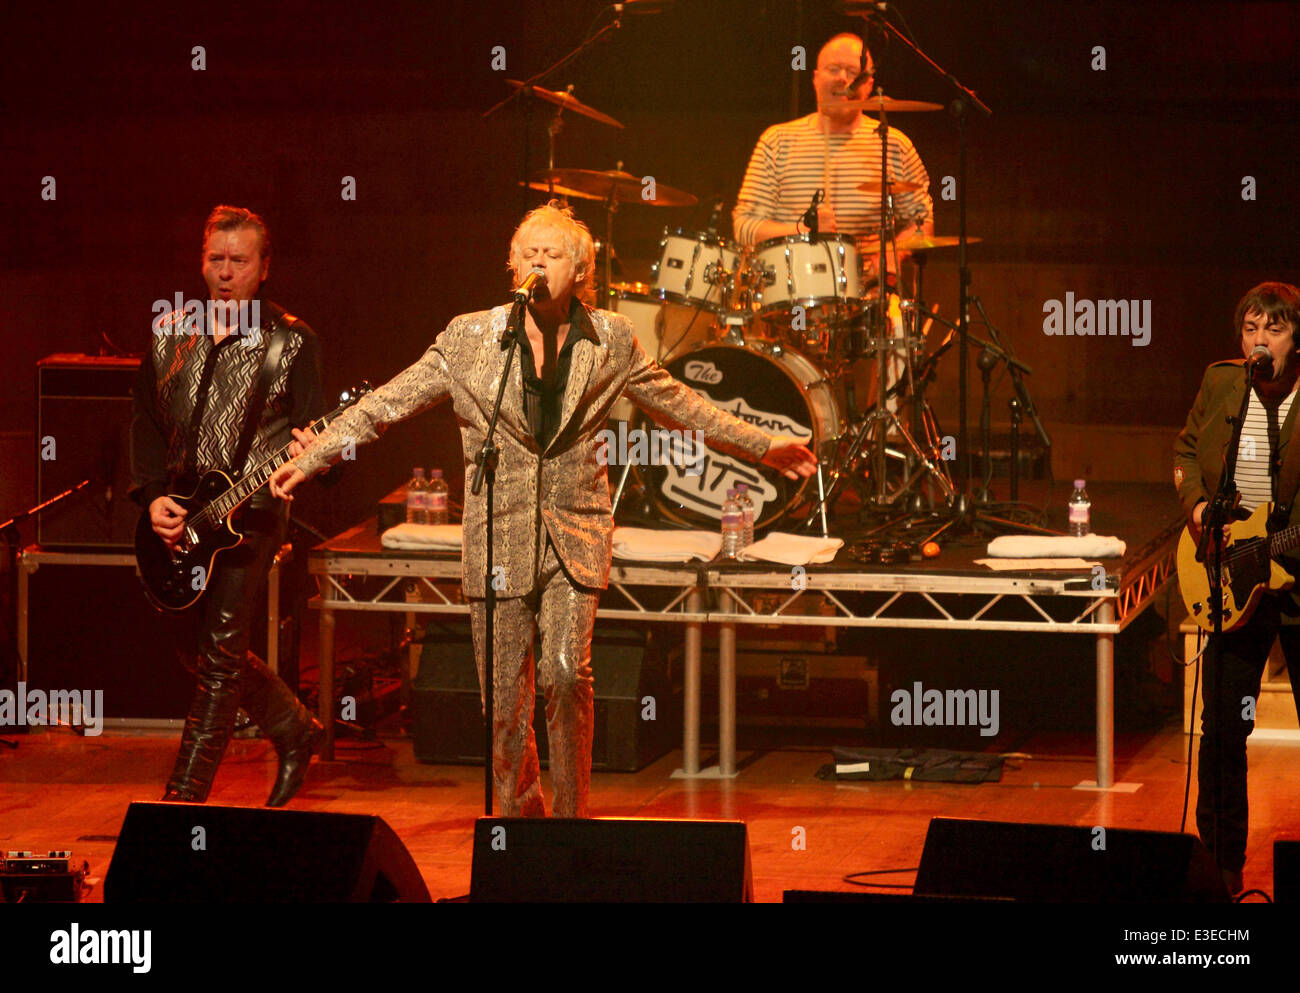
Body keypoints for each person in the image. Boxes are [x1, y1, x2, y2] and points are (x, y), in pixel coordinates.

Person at [271, 202, 816, 817]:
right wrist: (316, 452)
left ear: (581, 271)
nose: (537, 260)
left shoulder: (610, 338)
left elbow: (680, 405)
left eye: (552, 253)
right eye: (527, 251)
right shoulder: (470, 337)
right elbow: (386, 404)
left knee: (563, 674)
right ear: (511, 265)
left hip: (574, 532)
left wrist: (763, 443)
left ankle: (570, 821)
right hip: (498, 536)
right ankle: (518, 823)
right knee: (503, 701)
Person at [130, 205, 325, 806]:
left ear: (263, 268)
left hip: (255, 516)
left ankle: (181, 802)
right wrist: (153, 494)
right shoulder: (172, 333)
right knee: (197, 649)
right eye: (215, 258)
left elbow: (320, 435)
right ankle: (294, 728)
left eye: (238, 260)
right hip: (184, 514)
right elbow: (144, 419)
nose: (224, 271)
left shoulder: (292, 341)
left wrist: (317, 455)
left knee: (218, 653)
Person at [1174, 281, 1300, 895]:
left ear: (1295, 338)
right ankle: (1219, 870)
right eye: (1251, 328)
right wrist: (1198, 508)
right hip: (1228, 576)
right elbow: (1185, 449)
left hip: (1294, 578)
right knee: (1222, 729)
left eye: (1272, 329)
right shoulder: (1222, 381)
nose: (1259, 340)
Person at [732, 32, 935, 279]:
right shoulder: (777, 141)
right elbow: (744, 226)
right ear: (816, 79)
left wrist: (893, 255)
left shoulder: (892, 144)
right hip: (791, 290)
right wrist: (804, 229)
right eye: (834, 69)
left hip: (868, 294)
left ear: (869, 85)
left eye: (853, 72)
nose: (842, 78)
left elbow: (921, 222)